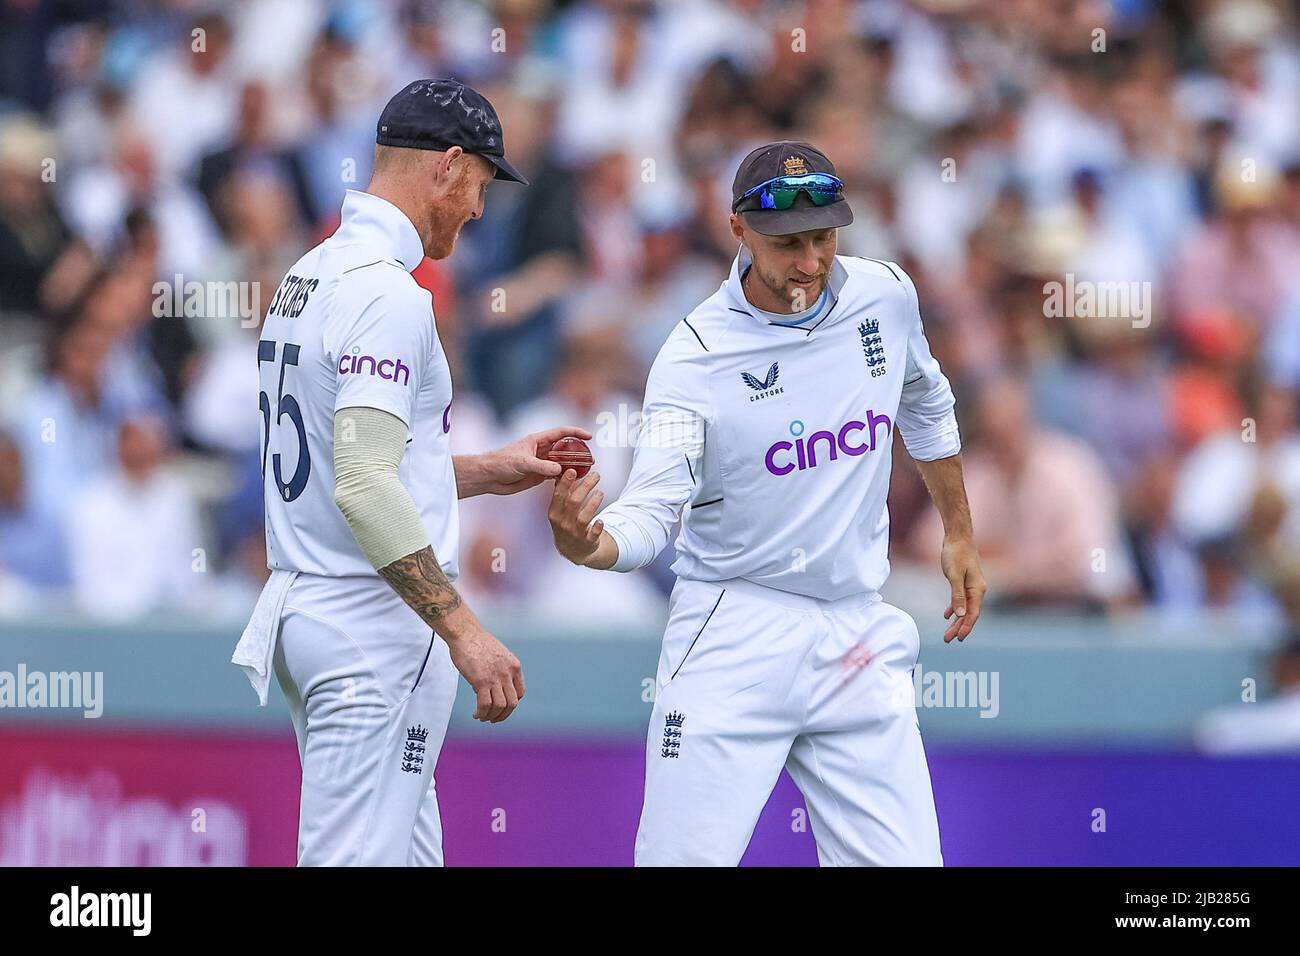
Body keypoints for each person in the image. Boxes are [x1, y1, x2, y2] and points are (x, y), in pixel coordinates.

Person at [548, 142, 986, 866]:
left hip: (855, 625)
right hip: (734, 630)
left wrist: (959, 534)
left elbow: (926, 402)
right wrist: (586, 541)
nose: (811, 264)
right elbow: (655, 509)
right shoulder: (694, 356)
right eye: (788, 244)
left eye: (824, 239)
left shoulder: (885, 294)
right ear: (739, 231)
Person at [231, 78, 589, 867]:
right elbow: (363, 484)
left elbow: (351, 465)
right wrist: (464, 631)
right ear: (450, 165)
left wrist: (489, 470)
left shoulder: (312, 272)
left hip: (322, 605)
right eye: (483, 183)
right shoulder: (388, 296)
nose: (479, 209)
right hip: (370, 626)